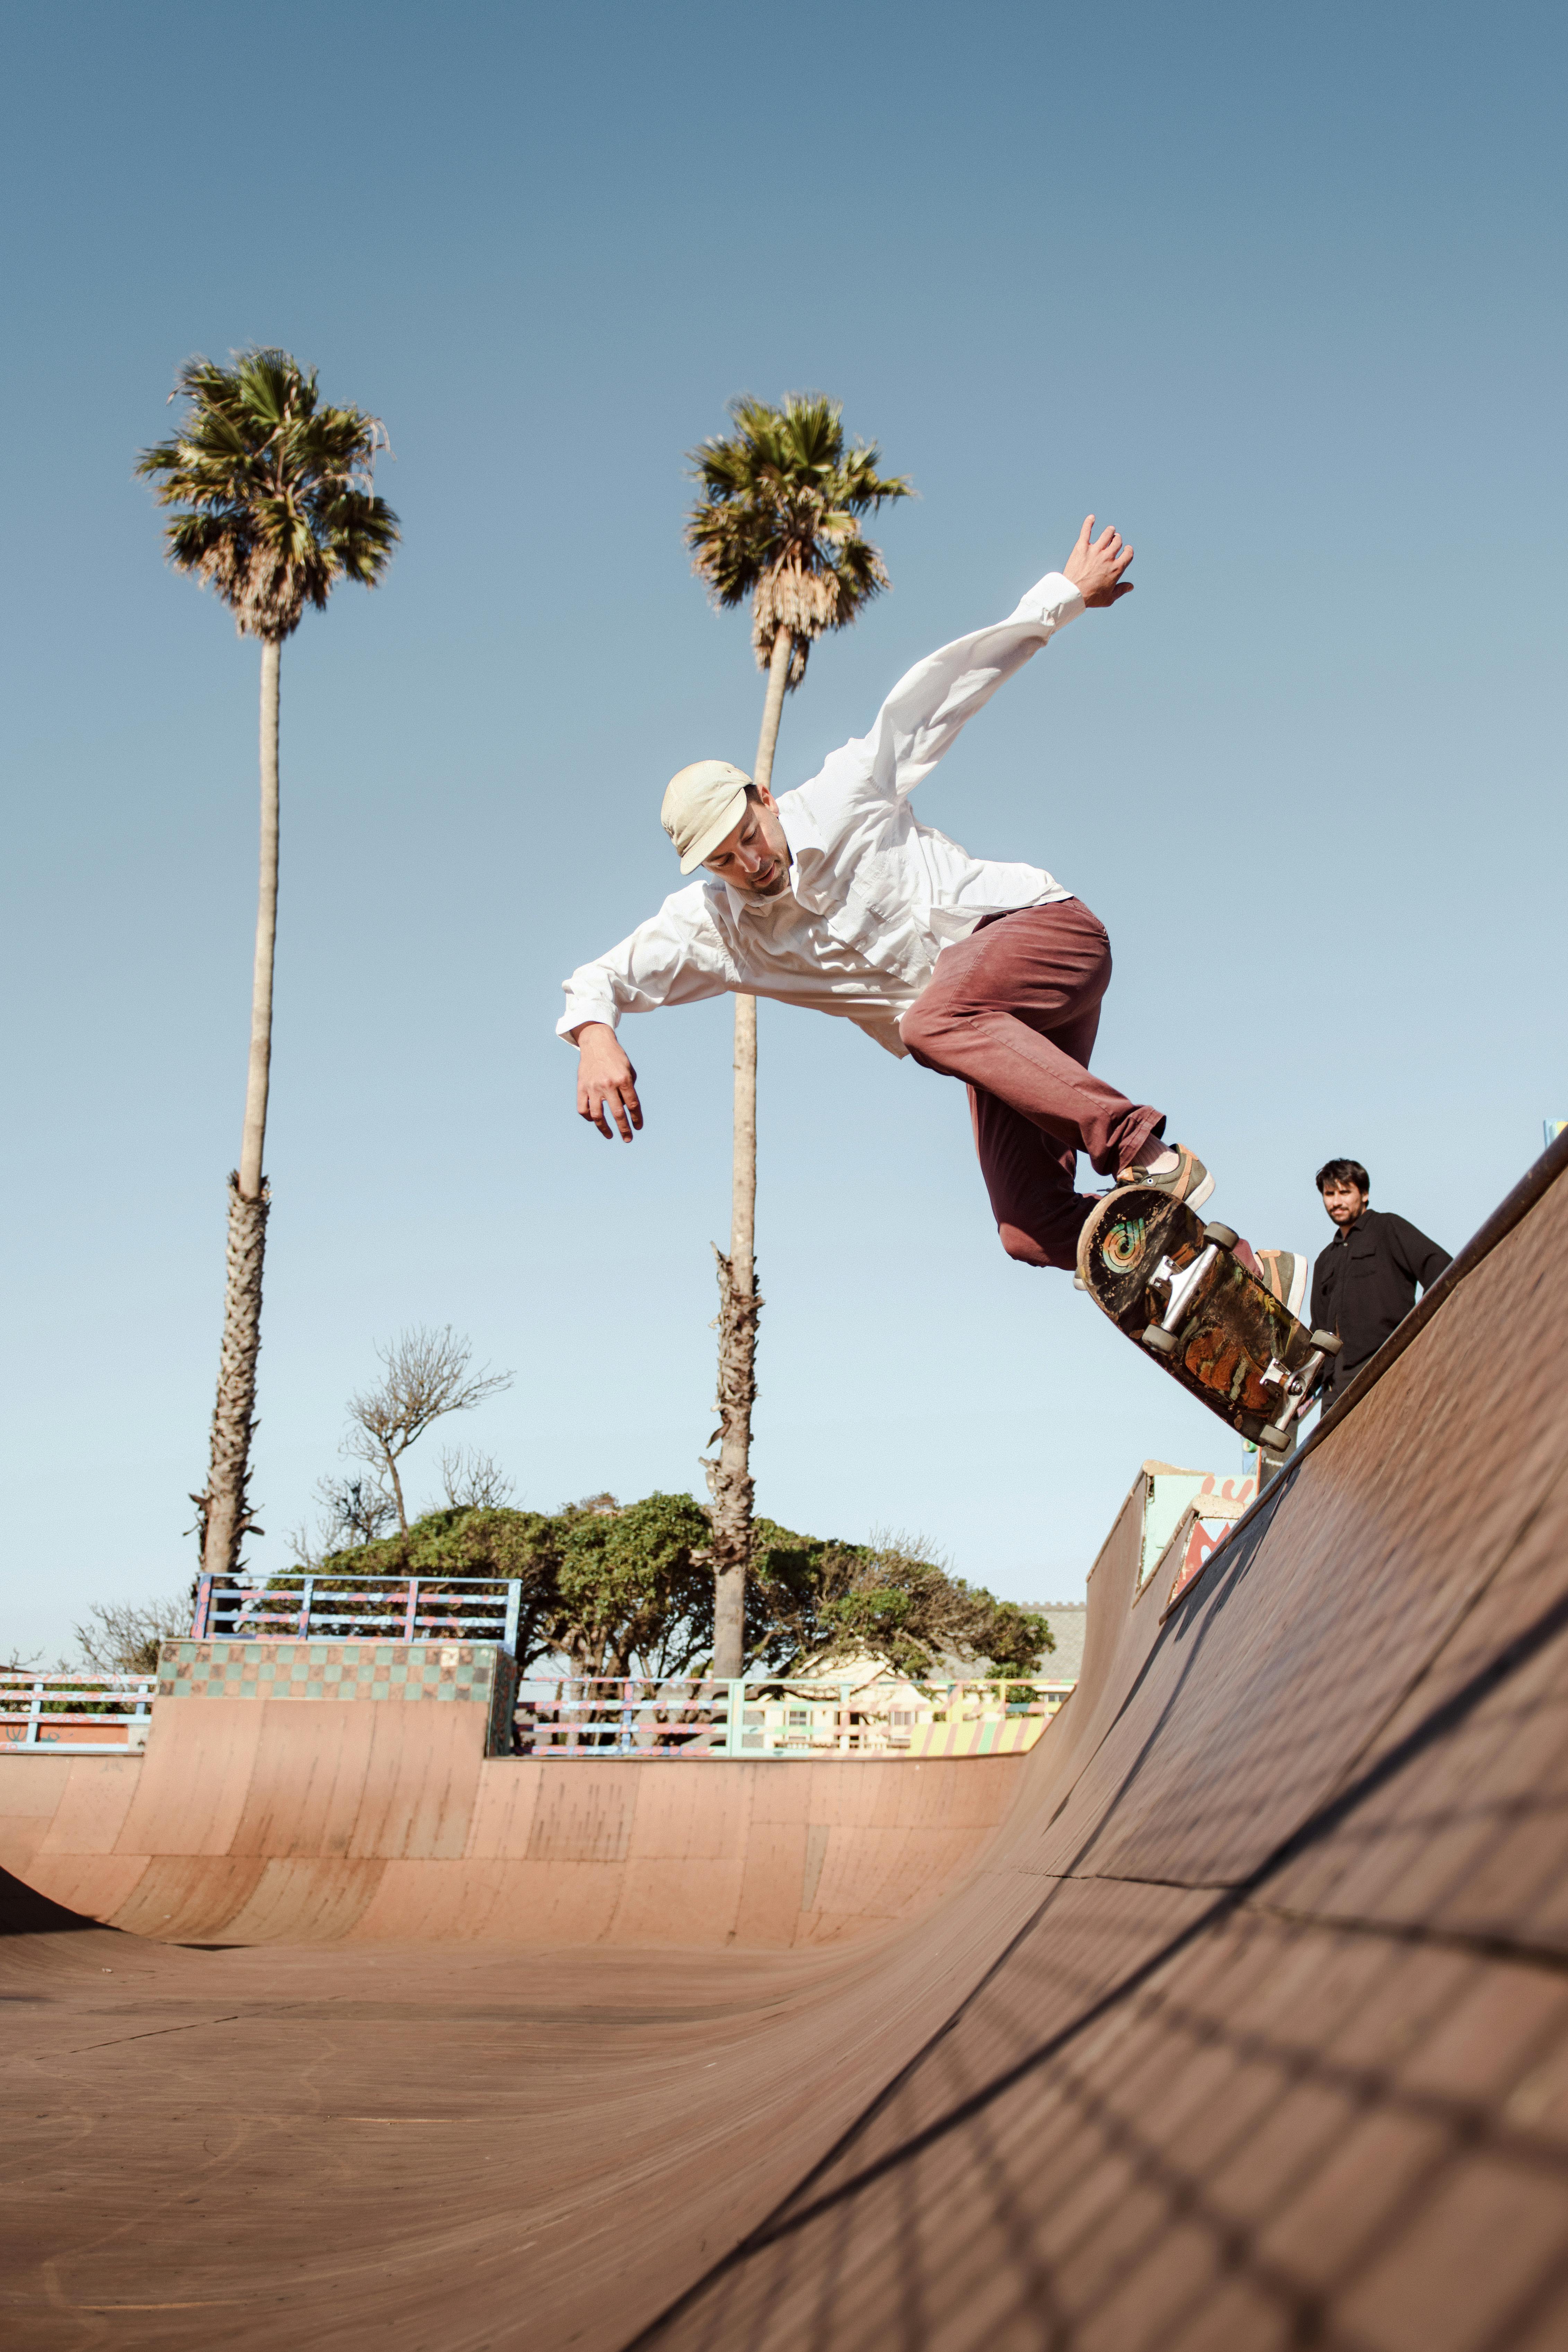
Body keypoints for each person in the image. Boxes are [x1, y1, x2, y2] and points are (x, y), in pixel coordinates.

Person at [560, 518, 1291, 1291]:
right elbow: (599, 977)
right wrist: (593, 1036)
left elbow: (941, 693)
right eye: (726, 860)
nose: (751, 862)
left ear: (764, 797)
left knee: (927, 1021)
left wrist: (1063, 599)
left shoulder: (843, 794)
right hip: (996, 1043)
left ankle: (1143, 1151)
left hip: (1046, 936)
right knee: (1026, 1224)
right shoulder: (720, 930)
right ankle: (1244, 1281)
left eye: (749, 835)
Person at [1309, 1158, 1450, 1399]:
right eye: (1329, 1193)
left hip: (1393, 1367)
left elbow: (1439, 1266)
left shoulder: (1387, 1228)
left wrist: (1419, 1336)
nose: (1337, 1201)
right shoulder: (1324, 1260)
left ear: (1364, 1194)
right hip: (1337, 1390)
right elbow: (1319, 1330)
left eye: (1345, 1192)